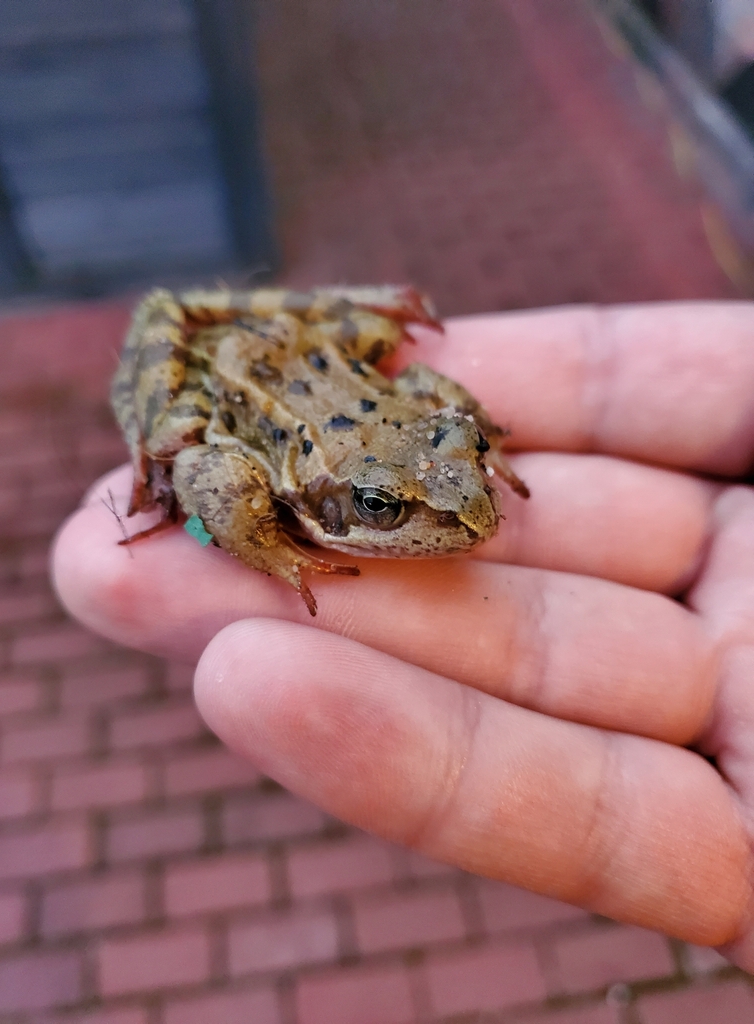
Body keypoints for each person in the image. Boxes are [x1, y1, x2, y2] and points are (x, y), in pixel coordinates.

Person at [52, 301, 754, 968]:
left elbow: (428, 391)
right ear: (342, 503)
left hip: (302, 363)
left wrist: (476, 439)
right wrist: (270, 550)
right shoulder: (283, 473)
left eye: (470, 455)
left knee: (377, 338)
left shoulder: (437, 443)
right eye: (383, 506)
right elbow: (210, 470)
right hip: (232, 379)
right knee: (177, 441)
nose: (473, 517)